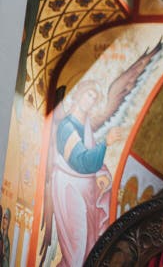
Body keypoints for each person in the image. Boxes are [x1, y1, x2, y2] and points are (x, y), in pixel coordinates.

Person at [51, 81, 124, 266]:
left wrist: (102, 176)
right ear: (78, 95)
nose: (90, 100)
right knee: (77, 246)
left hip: (86, 194)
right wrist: (105, 143)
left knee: (88, 249)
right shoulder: (67, 126)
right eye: (88, 94)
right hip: (69, 190)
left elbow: (93, 164)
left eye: (94, 98)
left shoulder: (87, 128)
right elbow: (81, 161)